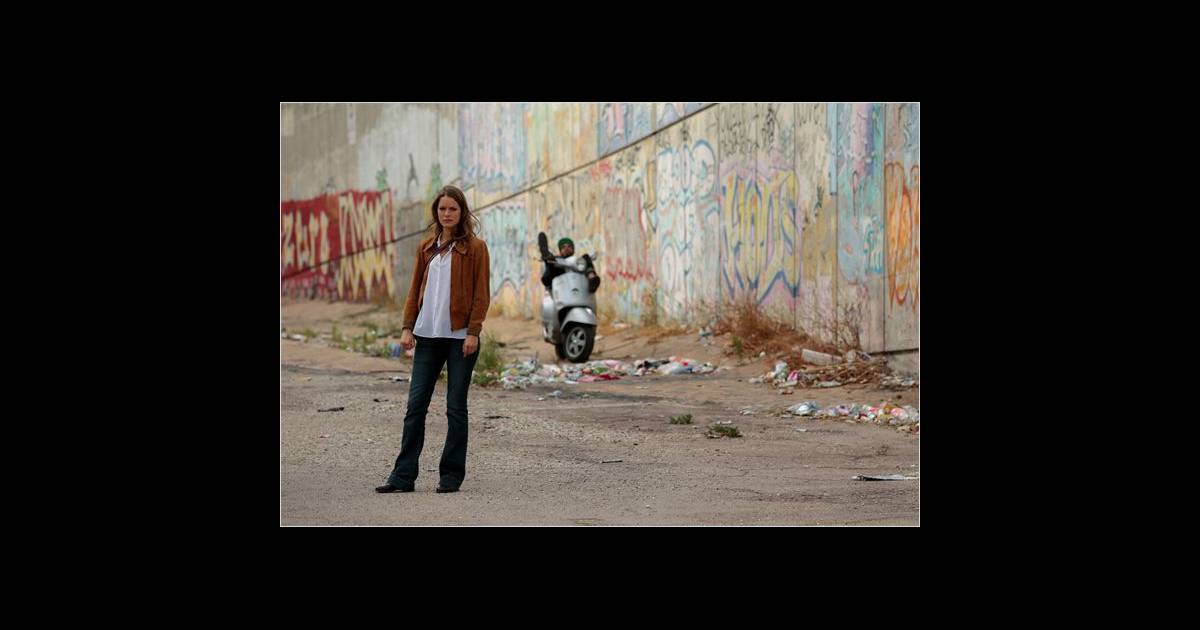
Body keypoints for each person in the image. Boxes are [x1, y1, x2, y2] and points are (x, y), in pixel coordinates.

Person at [376, 185, 490, 494]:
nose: (447, 214)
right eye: (442, 209)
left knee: (455, 408)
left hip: (459, 339)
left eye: (453, 208)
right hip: (427, 337)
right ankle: (402, 477)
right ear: (436, 213)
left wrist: (473, 332)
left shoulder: (476, 248)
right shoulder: (426, 247)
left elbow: (481, 294)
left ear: (462, 212)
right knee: (415, 407)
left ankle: (450, 476)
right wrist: (407, 327)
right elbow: (414, 291)